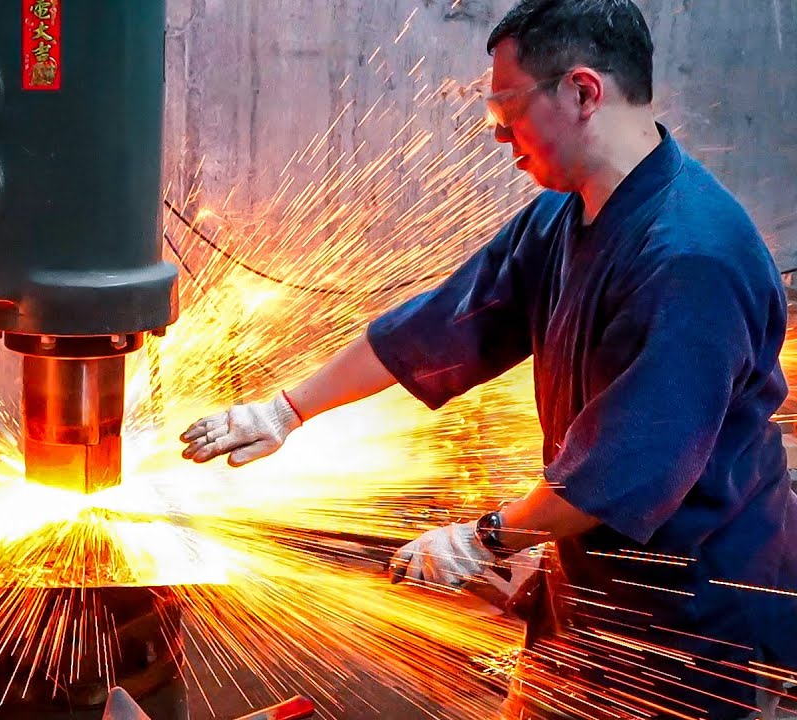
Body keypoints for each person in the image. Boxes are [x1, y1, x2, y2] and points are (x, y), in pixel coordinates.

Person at [178, 1, 797, 718]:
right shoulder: (566, 215)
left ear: (582, 91)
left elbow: (611, 480)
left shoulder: (691, 260)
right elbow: (442, 324)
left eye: (507, 107)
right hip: (591, 587)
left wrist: (482, 541)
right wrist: (286, 410)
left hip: (690, 621)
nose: (495, 130)